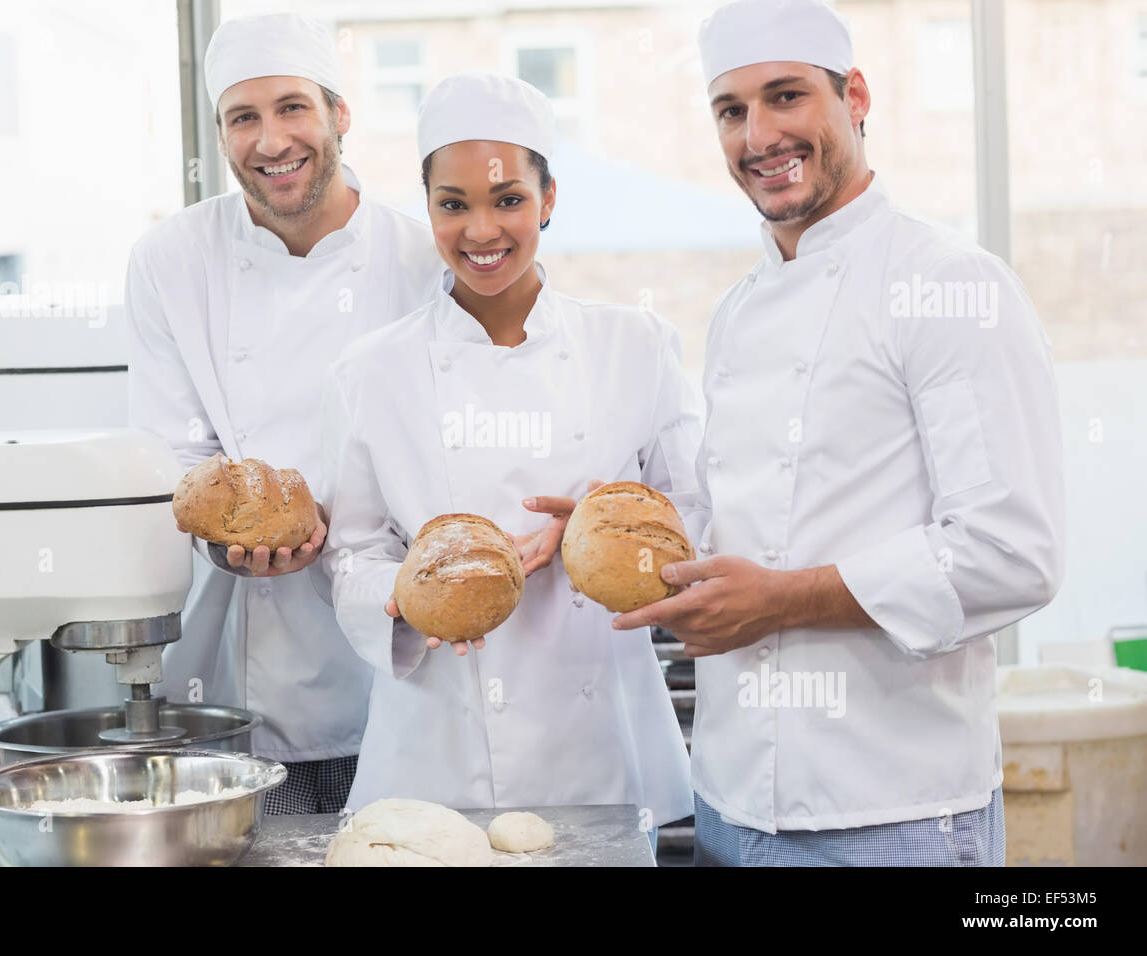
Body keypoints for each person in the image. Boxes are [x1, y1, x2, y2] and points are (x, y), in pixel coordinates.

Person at [612, 0, 1065, 866]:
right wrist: (618, 525)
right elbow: (744, 523)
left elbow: (1013, 552)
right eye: (732, 110)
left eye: (786, 97)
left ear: (855, 95)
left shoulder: (951, 288)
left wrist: (781, 599)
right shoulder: (739, 310)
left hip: (895, 814)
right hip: (731, 800)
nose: (759, 135)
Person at [320, 72, 699, 848]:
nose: (481, 229)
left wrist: (604, 531)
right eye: (452, 204)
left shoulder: (635, 347)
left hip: (598, 755)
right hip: (432, 751)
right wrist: (404, 595)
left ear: (550, 198)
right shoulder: (371, 371)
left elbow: (701, 518)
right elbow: (351, 549)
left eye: (509, 200)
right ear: (427, 208)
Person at [124, 13, 439, 814]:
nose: (270, 141)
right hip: (231, 682)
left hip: (390, 664)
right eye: (243, 117)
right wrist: (231, 542)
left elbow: (442, 459)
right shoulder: (172, 259)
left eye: (292, 108)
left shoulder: (423, 259)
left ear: (338, 114)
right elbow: (172, 452)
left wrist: (342, 529)